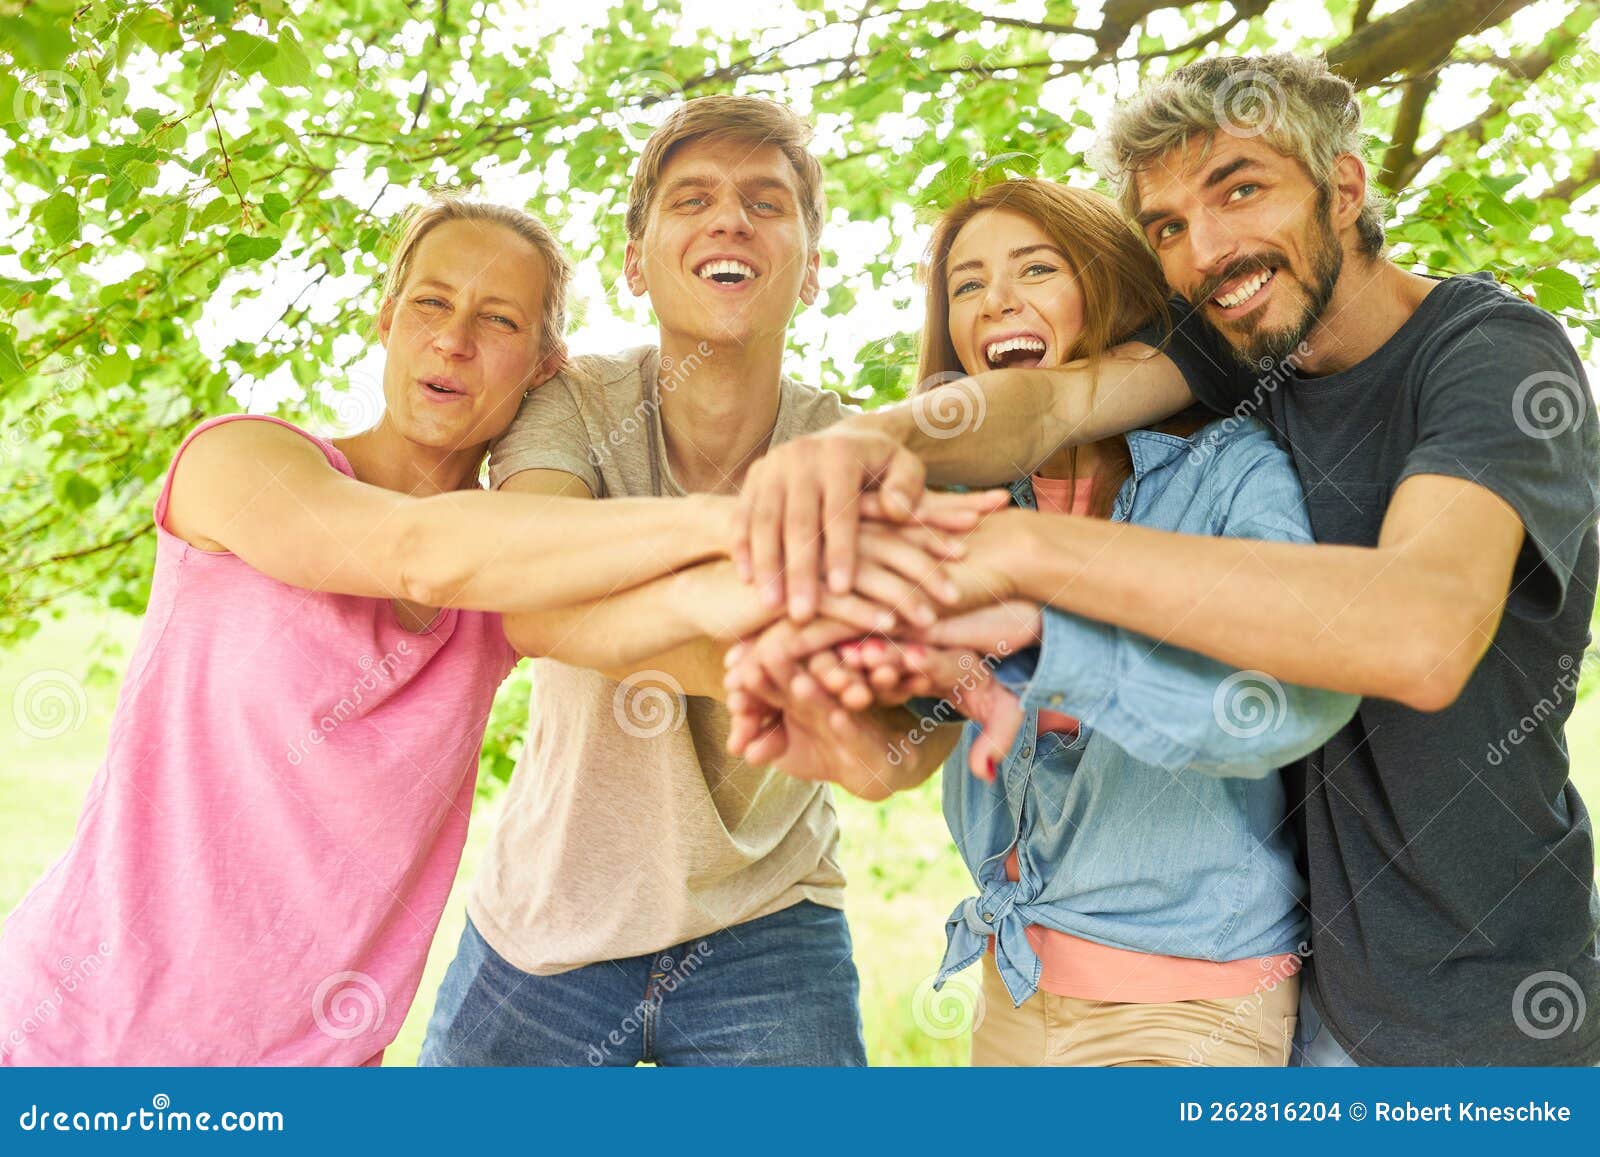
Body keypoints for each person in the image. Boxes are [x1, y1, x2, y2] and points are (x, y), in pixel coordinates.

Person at [730, 54, 1600, 1066]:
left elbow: (1421, 629)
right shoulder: (1242, 348)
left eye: (1240, 189)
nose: (1209, 249)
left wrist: (1021, 560)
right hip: (1298, 983)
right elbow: (1048, 402)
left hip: (1472, 1002)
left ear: (1345, 189)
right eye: (1169, 226)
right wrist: (863, 441)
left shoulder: (1490, 356)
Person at [0, 194, 942, 1066]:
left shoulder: (508, 594)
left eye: (499, 320)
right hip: (79, 1032)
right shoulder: (239, 462)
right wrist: (750, 519)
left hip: (310, 1068)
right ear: (386, 317)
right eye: (430, 302)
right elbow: (412, 548)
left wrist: (919, 657)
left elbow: (700, 647)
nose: (452, 340)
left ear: (544, 366)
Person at [416, 95, 1003, 1068]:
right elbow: (534, 592)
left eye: (766, 202)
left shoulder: (858, 447)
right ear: (635, 262)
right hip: (547, 917)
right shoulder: (575, 401)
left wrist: (897, 695)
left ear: (811, 269)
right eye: (692, 198)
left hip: (769, 920)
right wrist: (803, 657)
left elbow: (899, 744)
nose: (730, 218)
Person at [726, 178, 1357, 1065]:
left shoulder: (1229, 469)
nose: (999, 303)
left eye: (1036, 268)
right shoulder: (956, 502)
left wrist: (1048, 645)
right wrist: (853, 700)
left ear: (1112, 291)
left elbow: (1278, 706)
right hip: (1011, 984)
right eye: (968, 285)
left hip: (1187, 1002)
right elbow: (916, 738)